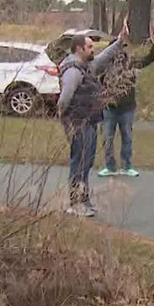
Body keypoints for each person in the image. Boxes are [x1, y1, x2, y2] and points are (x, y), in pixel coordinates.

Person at [56, 22, 129, 217]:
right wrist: (65, 119)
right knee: (79, 163)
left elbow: (104, 57)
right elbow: (64, 98)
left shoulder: (86, 66)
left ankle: (84, 199)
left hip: (89, 122)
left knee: (86, 163)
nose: (93, 49)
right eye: (89, 47)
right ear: (79, 49)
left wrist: (120, 41)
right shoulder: (73, 70)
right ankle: (75, 203)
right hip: (78, 123)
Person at [98, 36, 154, 177]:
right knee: (107, 138)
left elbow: (148, 59)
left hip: (127, 108)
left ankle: (126, 166)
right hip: (109, 108)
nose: (121, 51)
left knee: (127, 137)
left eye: (123, 47)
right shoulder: (105, 65)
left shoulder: (130, 63)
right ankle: (110, 166)